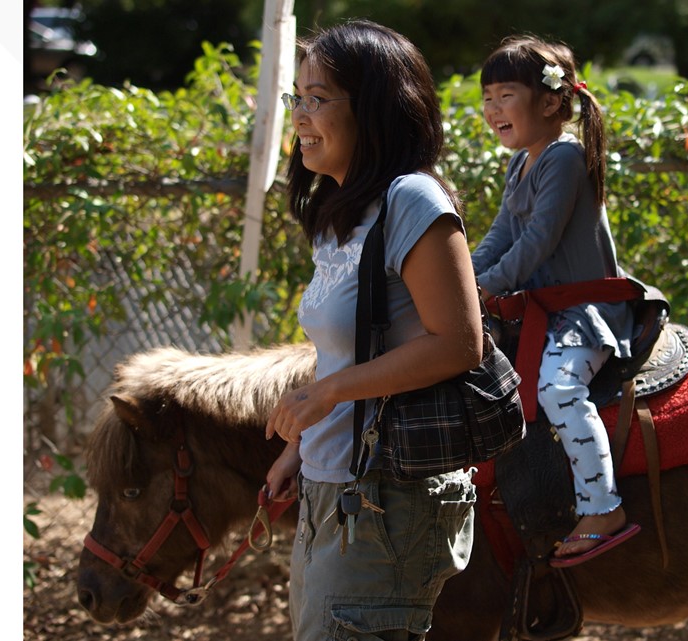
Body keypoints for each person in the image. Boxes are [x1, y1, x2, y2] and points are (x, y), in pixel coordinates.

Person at [263, 20, 482, 641]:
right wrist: (298, 448)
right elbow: (347, 354)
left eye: (318, 98)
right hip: (329, 486)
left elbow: (459, 342)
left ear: (377, 107)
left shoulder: (411, 201)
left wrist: (325, 396)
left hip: (388, 500)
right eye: (296, 98)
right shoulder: (342, 212)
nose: (300, 116)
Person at [472, 35, 641, 567]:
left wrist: (489, 288)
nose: (493, 108)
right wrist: (459, 280)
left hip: (583, 312)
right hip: (546, 310)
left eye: (505, 95)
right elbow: (501, 235)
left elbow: (537, 241)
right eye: (488, 98)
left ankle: (601, 506)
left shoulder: (564, 156)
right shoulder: (521, 162)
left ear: (549, 102)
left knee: (557, 390)